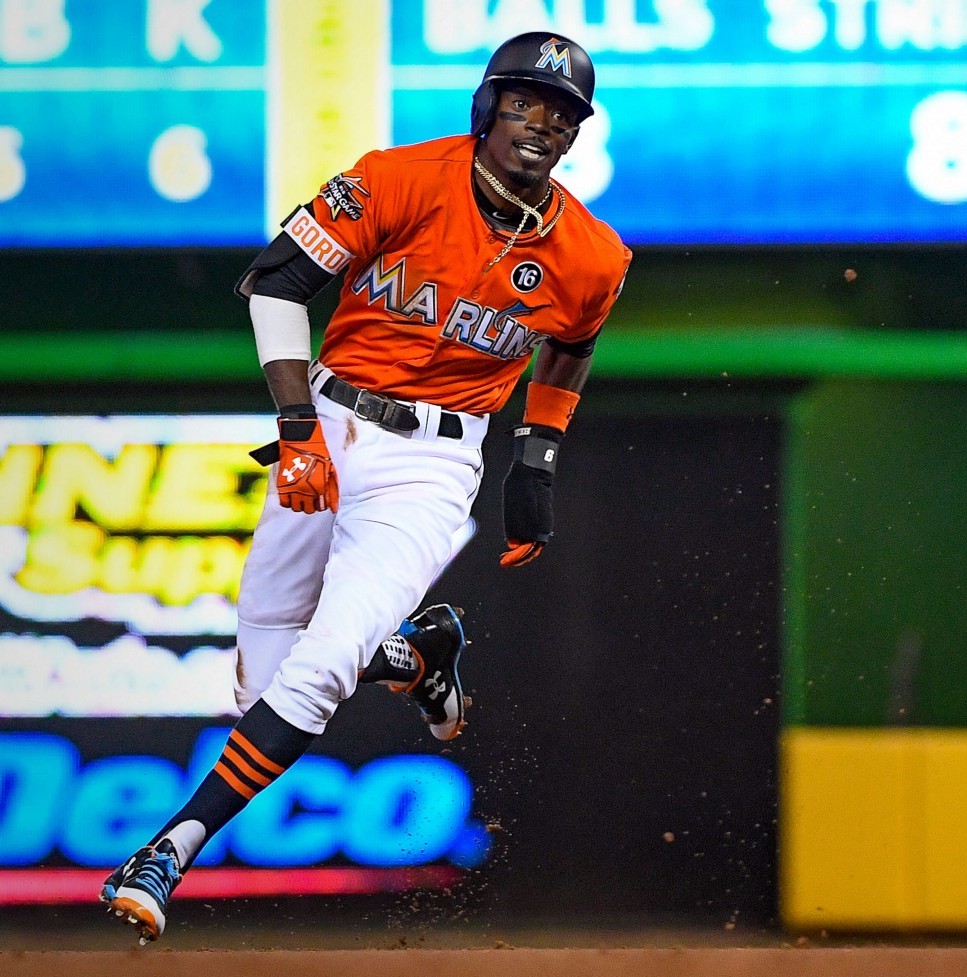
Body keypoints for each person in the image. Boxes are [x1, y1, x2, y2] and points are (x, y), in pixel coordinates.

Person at [99, 30, 630, 944]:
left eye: (561, 111)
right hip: (332, 424)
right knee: (264, 677)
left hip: (433, 463)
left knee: (308, 676)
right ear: (486, 107)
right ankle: (412, 657)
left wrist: (536, 456)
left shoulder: (592, 254)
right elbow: (275, 284)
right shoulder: (398, 178)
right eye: (523, 101)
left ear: (577, 132)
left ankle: (166, 849)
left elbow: (572, 344)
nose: (540, 122)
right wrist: (298, 429)